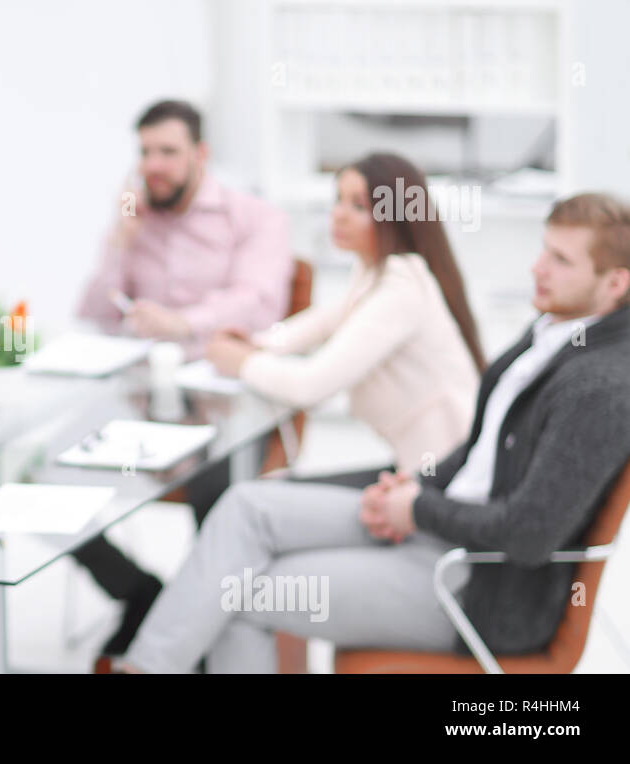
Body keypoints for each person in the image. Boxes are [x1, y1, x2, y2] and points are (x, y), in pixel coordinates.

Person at [115, 192, 630, 673]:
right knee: (246, 505)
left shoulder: (597, 387)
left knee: (241, 596)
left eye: (561, 261)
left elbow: (531, 534)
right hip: (440, 524)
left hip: (474, 582)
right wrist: (414, 488)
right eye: (544, 251)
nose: (538, 269)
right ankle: (144, 667)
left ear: (616, 283)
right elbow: (478, 452)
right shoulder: (555, 330)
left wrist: (419, 509)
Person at [70, 99, 295, 658]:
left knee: (216, 490)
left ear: (201, 154)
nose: (155, 166)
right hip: (142, 400)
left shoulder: (254, 218)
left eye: (168, 152)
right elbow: (95, 312)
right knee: (37, 476)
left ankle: (197, 635)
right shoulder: (137, 218)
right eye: (145, 153)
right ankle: (139, 593)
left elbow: (260, 303)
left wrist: (182, 323)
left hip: (226, 404)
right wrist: (118, 241)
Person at [205, 152, 486, 484]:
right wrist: (261, 342)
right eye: (337, 200)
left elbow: (309, 386)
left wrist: (241, 362)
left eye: (358, 206)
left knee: (256, 499)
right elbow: (328, 320)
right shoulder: (375, 270)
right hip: (416, 471)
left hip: (438, 483)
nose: (338, 215)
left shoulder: (401, 287)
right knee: (258, 495)